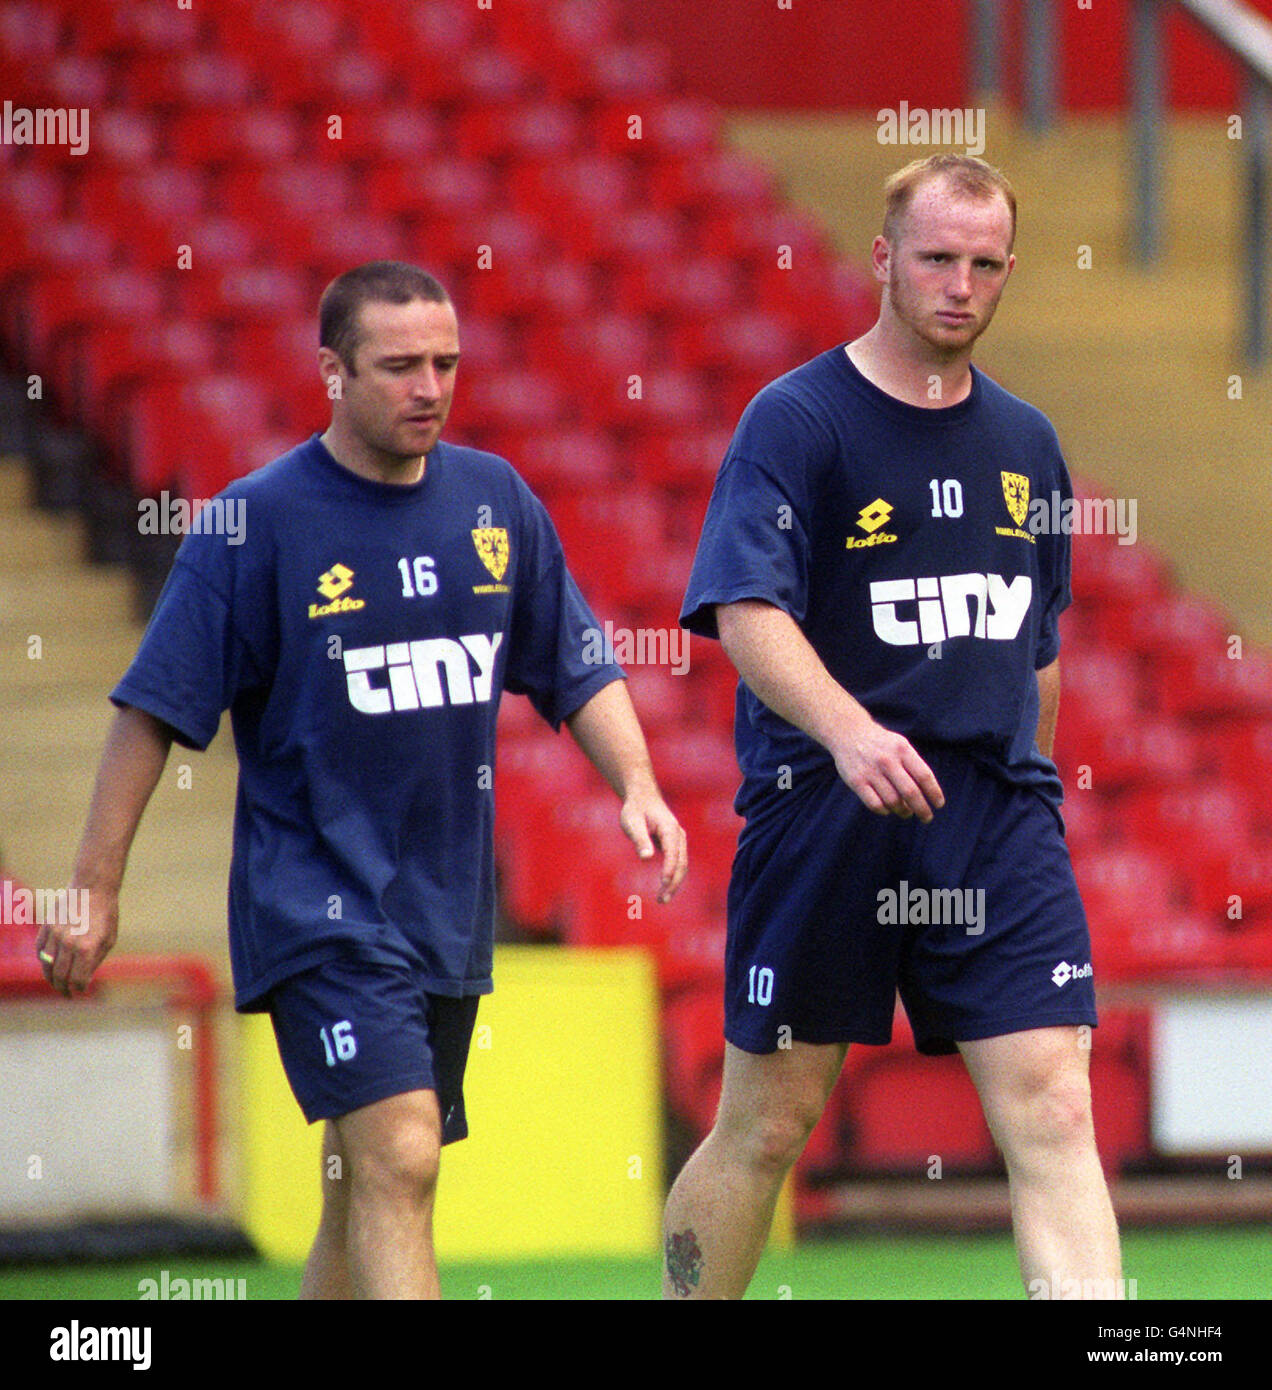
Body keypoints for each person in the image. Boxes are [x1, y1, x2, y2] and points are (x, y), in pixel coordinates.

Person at [37, 261, 687, 1300]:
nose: (429, 386)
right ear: (332, 371)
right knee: (402, 1155)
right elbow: (150, 715)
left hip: (442, 908)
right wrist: (97, 886)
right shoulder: (256, 524)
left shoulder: (495, 502)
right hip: (317, 905)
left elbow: (575, 666)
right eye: (399, 367)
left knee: (360, 1190)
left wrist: (639, 784)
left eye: (445, 363)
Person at [663, 155, 1122, 1299]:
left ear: (1009, 270)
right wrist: (849, 733)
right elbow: (744, 608)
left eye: (982, 264)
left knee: (1059, 1107)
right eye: (935, 258)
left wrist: (1032, 790)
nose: (959, 285)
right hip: (826, 806)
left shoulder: (1028, 443)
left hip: (991, 818)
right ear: (882, 259)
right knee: (767, 1124)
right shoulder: (799, 418)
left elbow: (1040, 648)